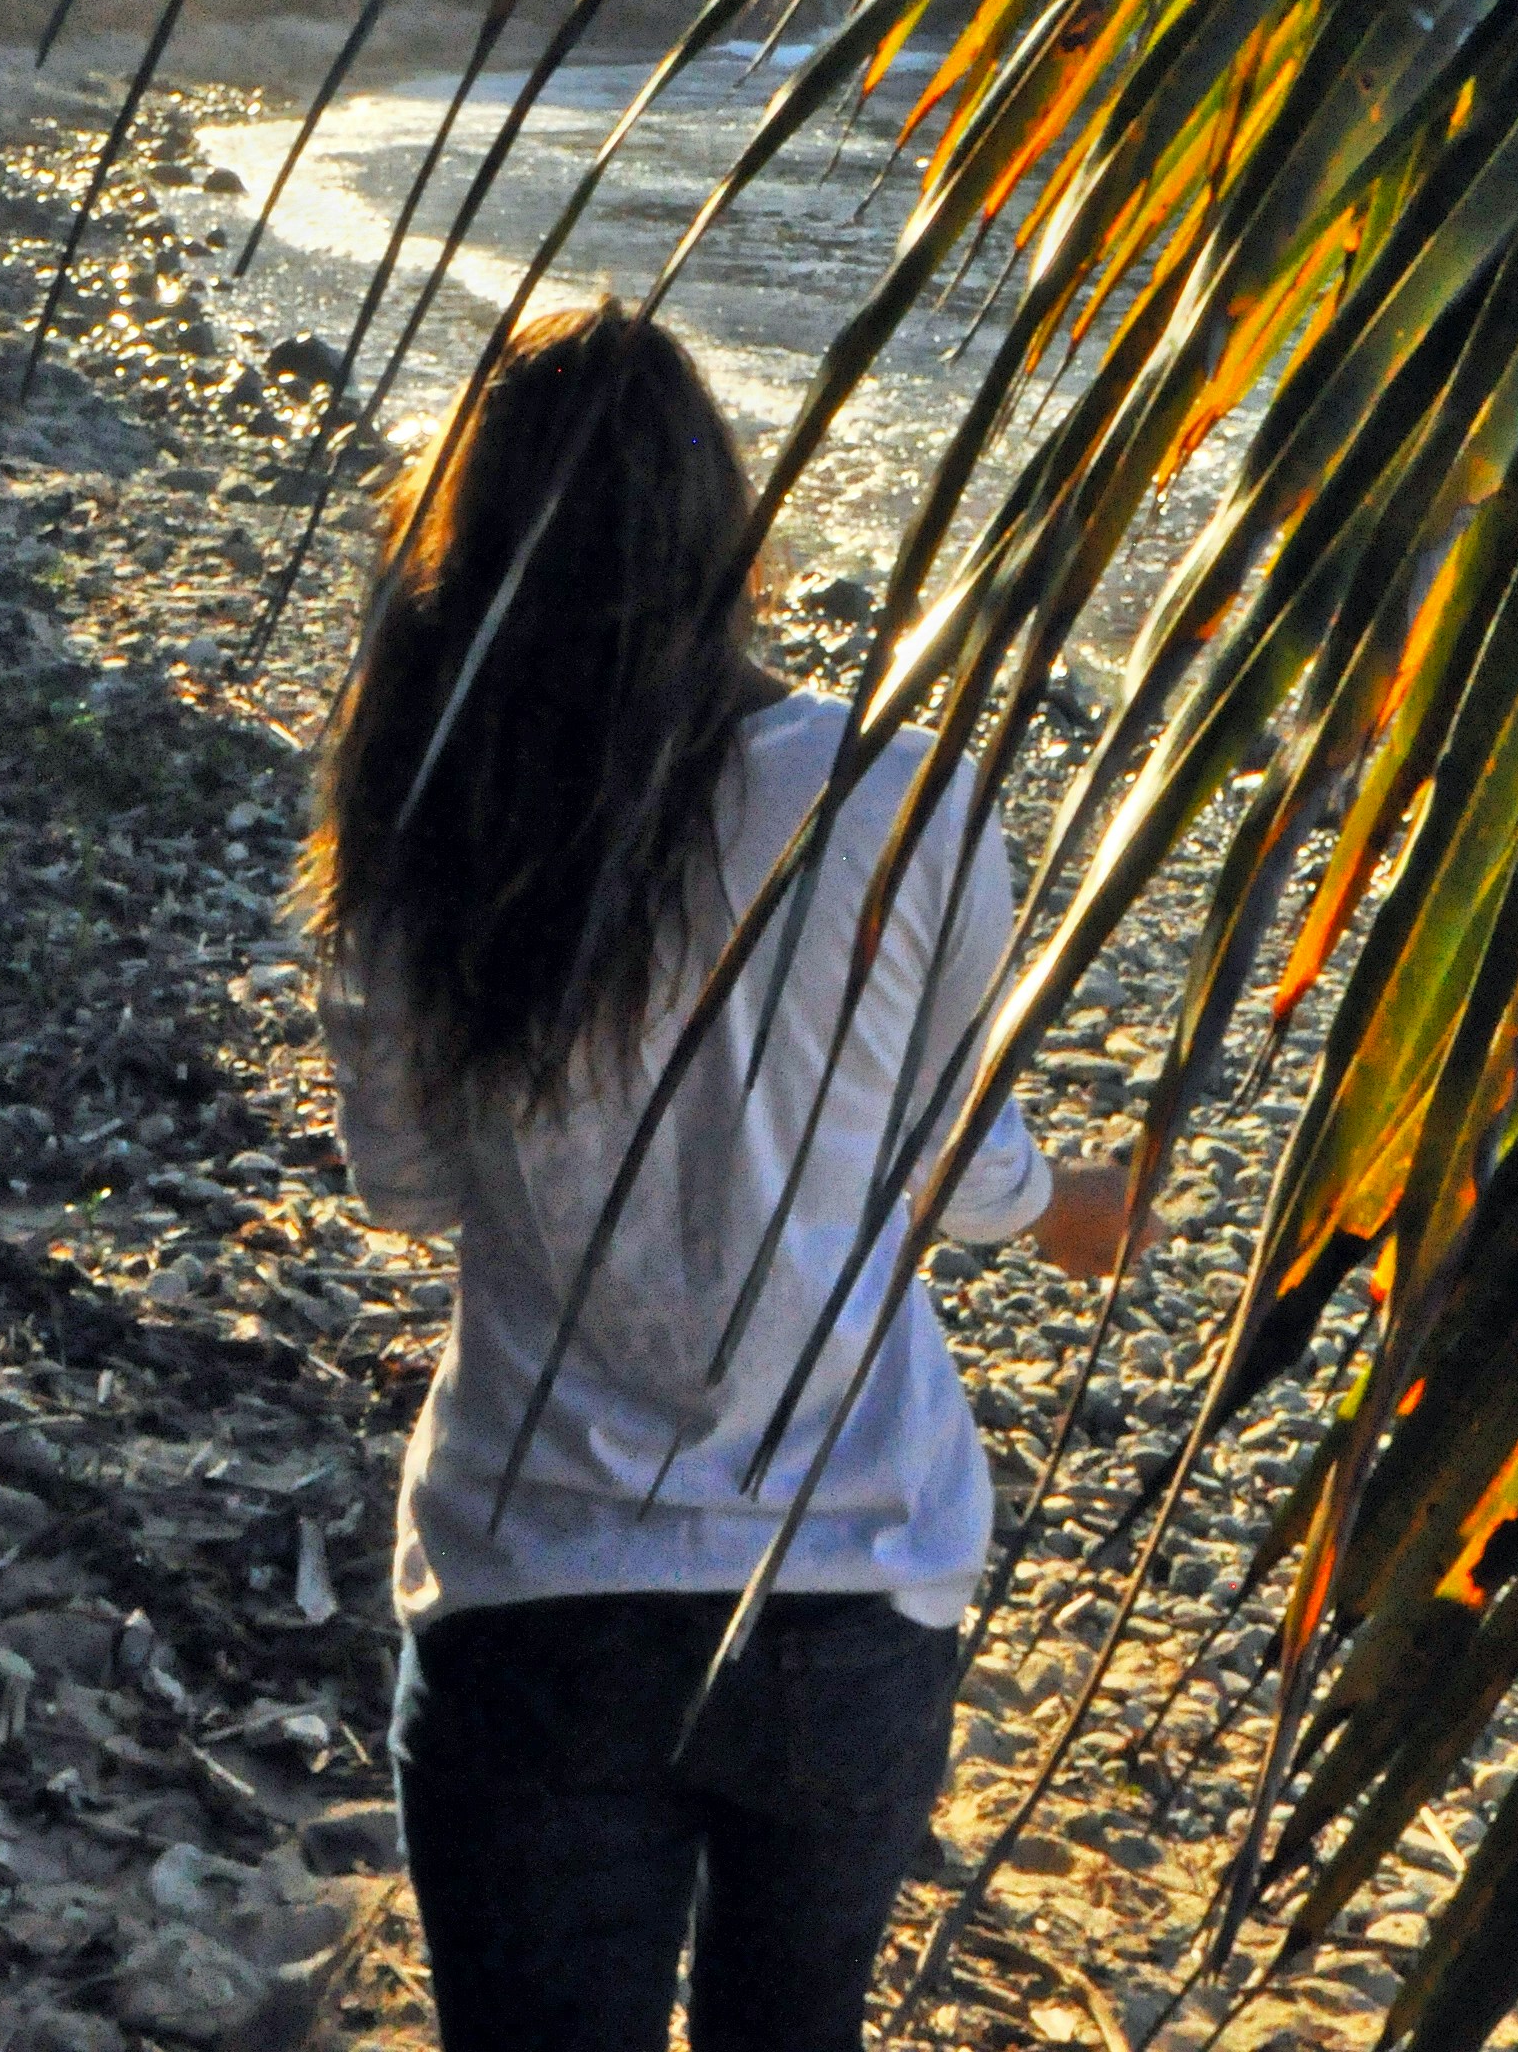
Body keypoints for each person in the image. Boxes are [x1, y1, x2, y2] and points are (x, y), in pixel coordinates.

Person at [298, 298, 1136, 2052]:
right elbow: (952, 1167)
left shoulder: (425, 806)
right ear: (724, 533)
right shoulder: (897, 796)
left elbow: (404, 1186)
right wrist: (1074, 1209)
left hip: (543, 1577)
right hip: (849, 1583)